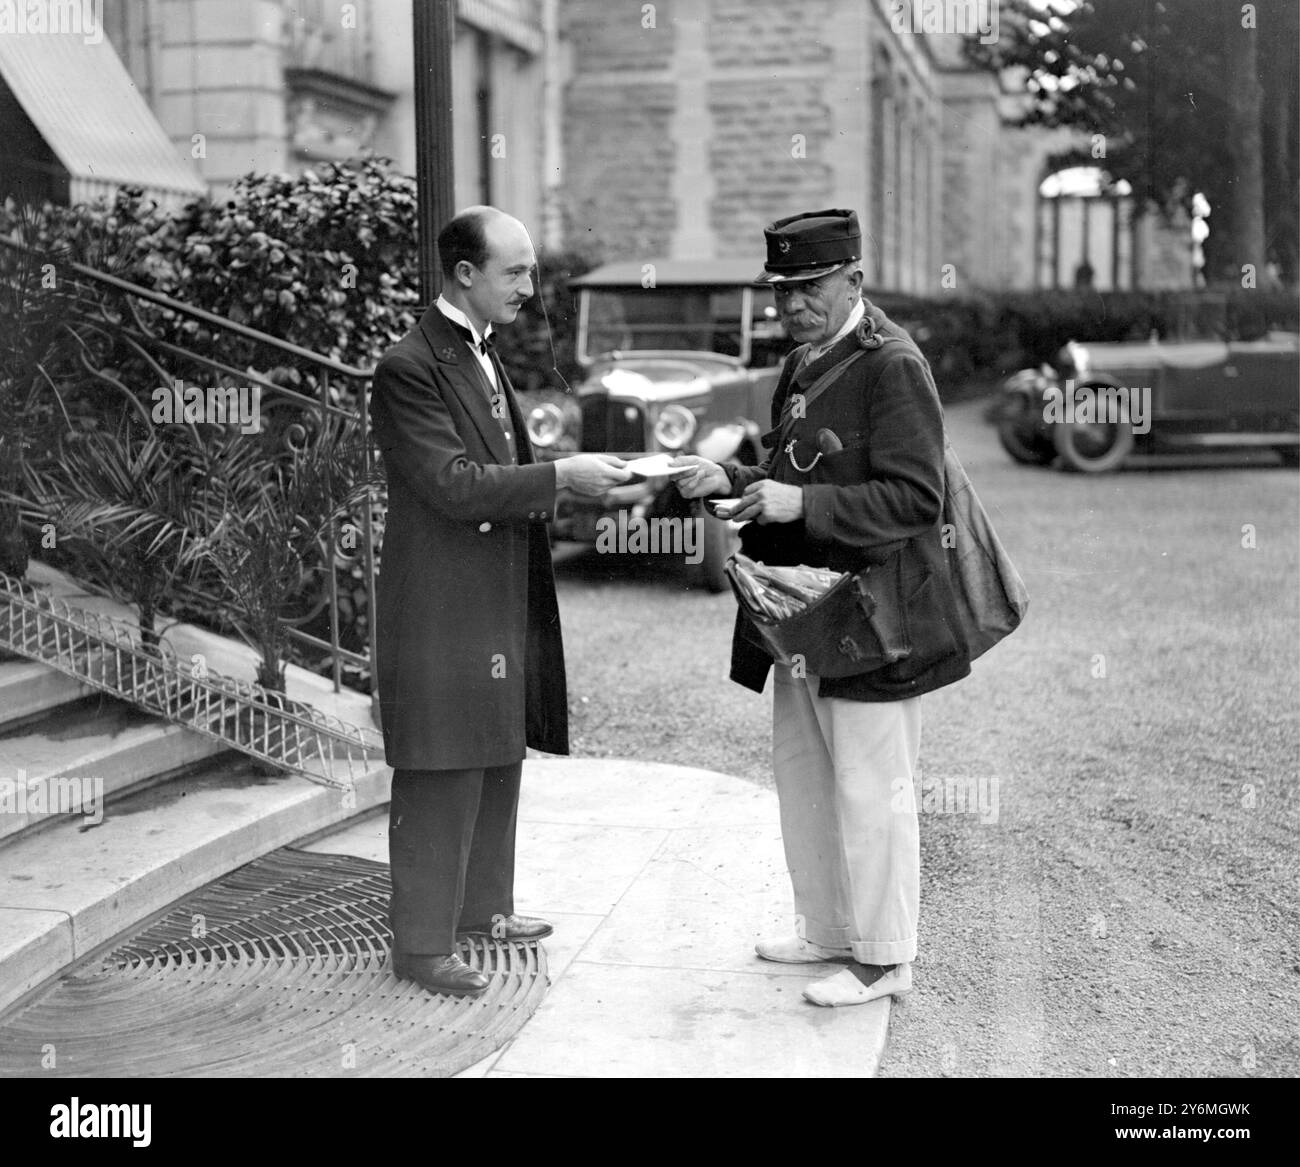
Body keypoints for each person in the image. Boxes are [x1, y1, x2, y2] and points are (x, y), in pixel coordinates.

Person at [673, 208, 971, 1007]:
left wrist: (798, 505)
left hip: (875, 615)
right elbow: (788, 477)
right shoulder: (806, 361)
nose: (794, 305)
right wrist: (731, 484)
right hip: (804, 613)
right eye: (783, 291)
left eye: (810, 287)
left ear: (853, 281)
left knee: (874, 787)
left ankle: (884, 959)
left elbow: (915, 498)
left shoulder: (892, 365)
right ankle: (829, 930)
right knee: (805, 775)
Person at [370, 205, 632, 997]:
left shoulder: (481, 354)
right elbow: (453, 484)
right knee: (441, 765)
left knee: (494, 750)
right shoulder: (408, 365)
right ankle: (420, 947)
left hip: (489, 595)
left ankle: (484, 910)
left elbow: (496, 462)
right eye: (515, 271)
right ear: (464, 274)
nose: (529, 285)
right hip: (441, 607)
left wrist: (572, 467)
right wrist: (560, 478)